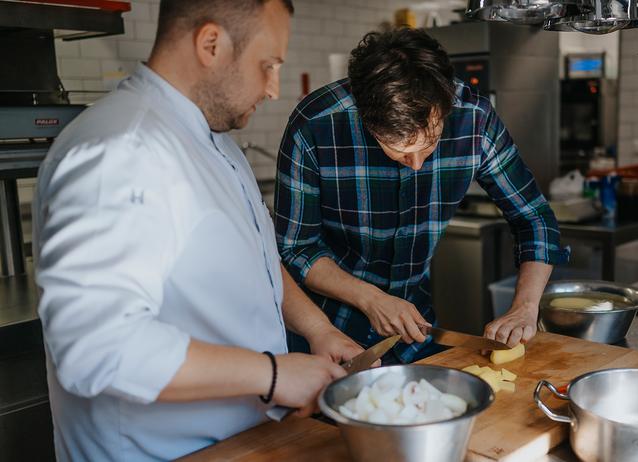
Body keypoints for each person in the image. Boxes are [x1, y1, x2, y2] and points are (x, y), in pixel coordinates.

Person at [33, 1, 363, 460]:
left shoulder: (216, 142)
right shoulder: (123, 152)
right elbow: (97, 347)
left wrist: (317, 328)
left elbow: (257, 260)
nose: (273, 89)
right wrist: (273, 374)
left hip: (240, 443)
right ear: (211, 44)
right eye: (267, 65)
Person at [274, 29, 570, 364]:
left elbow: (534, 218)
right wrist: (370, 299)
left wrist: (525, 308)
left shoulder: (475, 120)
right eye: (398, 152)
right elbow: (296, 248)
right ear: (367, 120)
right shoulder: (315, 125)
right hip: (327, 333)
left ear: (444, 107)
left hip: (416, 333)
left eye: (428, 145)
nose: (416, 165)